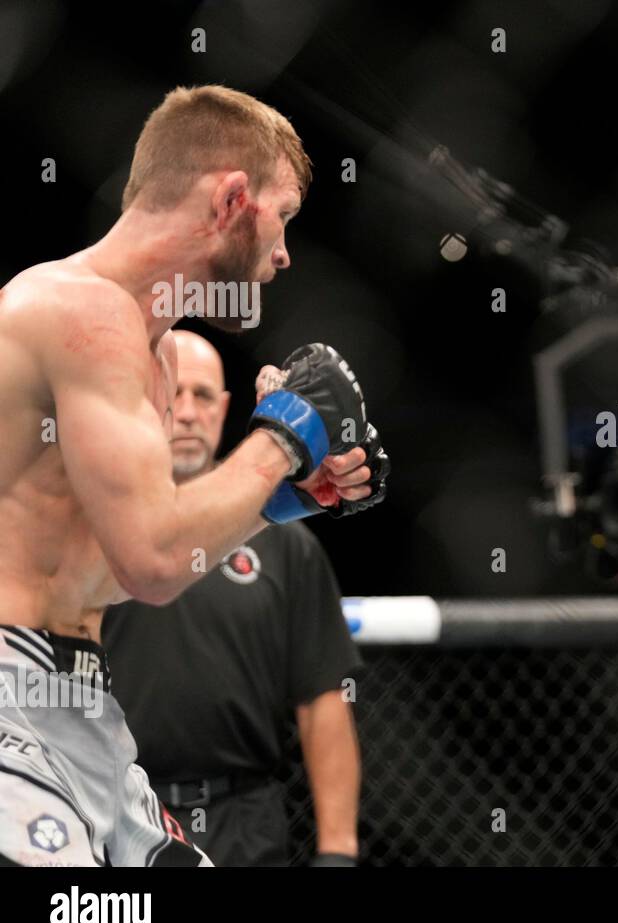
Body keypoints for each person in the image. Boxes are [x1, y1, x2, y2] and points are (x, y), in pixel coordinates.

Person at [0, 85, 387, 866]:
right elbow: (155, 560)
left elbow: (115, 566)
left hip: (84, 704)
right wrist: (281, 440)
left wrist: (274, 502)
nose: (284, 255)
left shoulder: (161, 352)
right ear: (232, 199)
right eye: (282, 218)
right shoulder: (74, 310)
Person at [102, 331, 364, 867]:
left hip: (242, 821)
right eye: (175, 395)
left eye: (203, 396)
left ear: (225, 408)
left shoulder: (287, 542)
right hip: (111, 808)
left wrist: (338, 849)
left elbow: (322, 696)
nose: (189, 413)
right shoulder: (97, 526)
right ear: (147, 399)